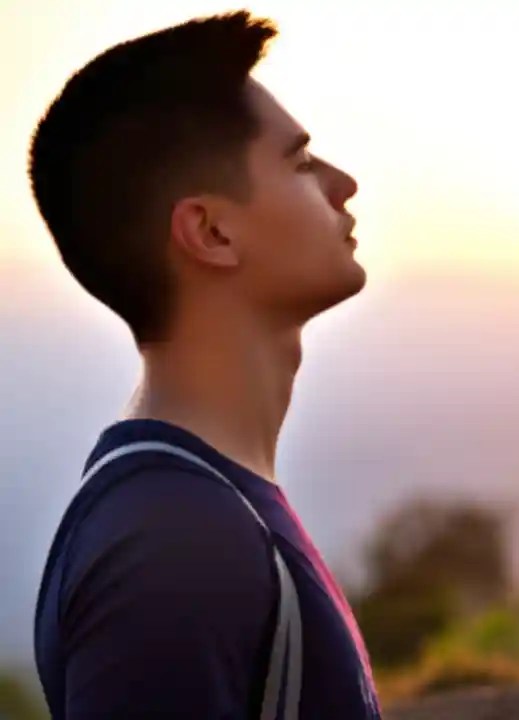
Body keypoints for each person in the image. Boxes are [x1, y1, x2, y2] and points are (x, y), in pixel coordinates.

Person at [29, 10, 381, 718]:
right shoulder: (170, 543)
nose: (345, 183)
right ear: (212, 232)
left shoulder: (204, 511)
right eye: (302, 162)